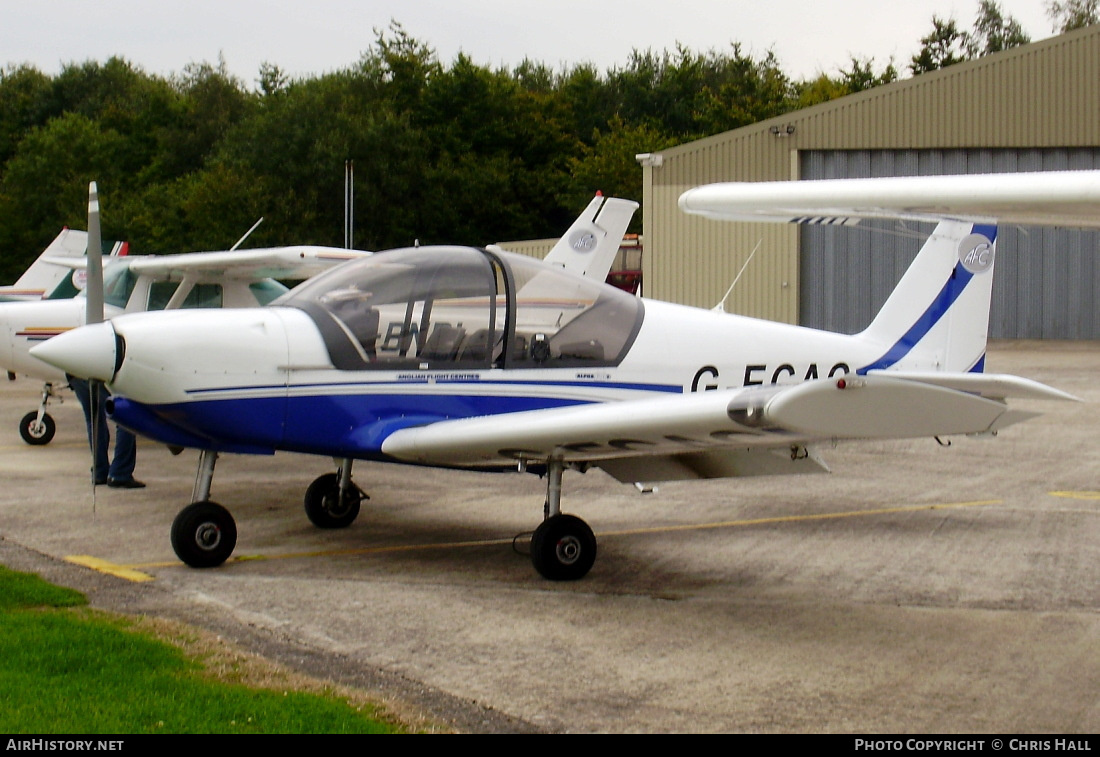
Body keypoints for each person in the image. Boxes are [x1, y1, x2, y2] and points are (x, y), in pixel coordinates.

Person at [68, 375, 144, 488]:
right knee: (126, 419)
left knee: (93, 419)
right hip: (99, 372)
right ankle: (120, 473)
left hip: (75, 373)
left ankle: (99, 471)